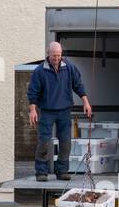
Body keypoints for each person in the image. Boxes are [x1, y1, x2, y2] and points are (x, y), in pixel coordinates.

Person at [28, 41, 92, 181]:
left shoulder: (69, 67)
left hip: (64, 110)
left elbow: (78, 85)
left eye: (58, 55)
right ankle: (41, 172)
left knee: (65, 141)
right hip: (46, 111)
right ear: (48, 54)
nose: (56, 58)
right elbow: (33, 92)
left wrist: (86, 102)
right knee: (44, 141)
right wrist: (33, 110)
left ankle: (62, 170)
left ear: (61, 54)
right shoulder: (40, 71)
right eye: (53, 55)